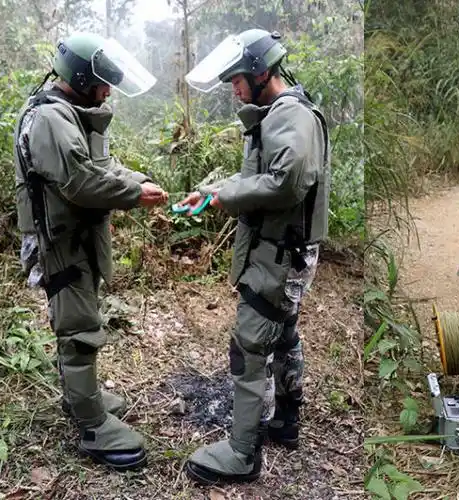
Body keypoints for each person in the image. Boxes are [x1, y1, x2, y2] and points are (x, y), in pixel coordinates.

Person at [176, 28, 330, 485]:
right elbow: (261, 175)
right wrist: (211, 191)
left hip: (280, 255)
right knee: (282, 334)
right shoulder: (277, 112)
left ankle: (243, 453)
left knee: (250, 343)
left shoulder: (290, 115)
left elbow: (287, 183)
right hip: (281, 249)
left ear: (262, 73)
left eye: (238, 78)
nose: (233, 87)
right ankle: (285, 420)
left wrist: (227, 195)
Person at [14, 32, 167, 471]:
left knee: (82, 319)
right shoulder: (49, 120)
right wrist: (133, 195)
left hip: (78, 236)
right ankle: (91, 424)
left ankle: (83, 395)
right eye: (102, 83)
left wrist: (136, 179)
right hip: (61, 242)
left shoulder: (71, 112)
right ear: (80, 78)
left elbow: (101, 165)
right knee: (78, 330)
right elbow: (80, 181)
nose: (107, 92)